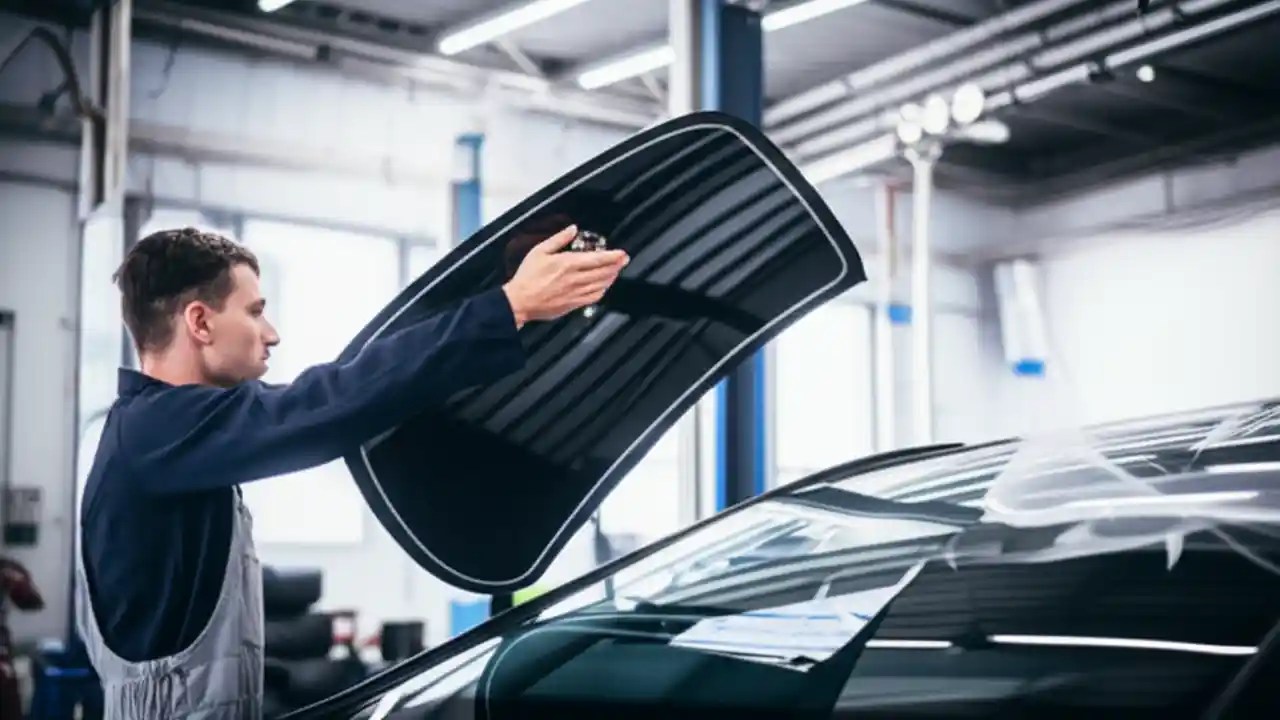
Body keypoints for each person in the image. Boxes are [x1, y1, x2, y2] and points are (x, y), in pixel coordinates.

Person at [75, 224, 628, 719]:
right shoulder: (157, 432)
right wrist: (509, 307)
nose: (270, 333)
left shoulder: (162, 435)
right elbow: (331, 403)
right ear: (199, 321)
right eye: (253, 310)